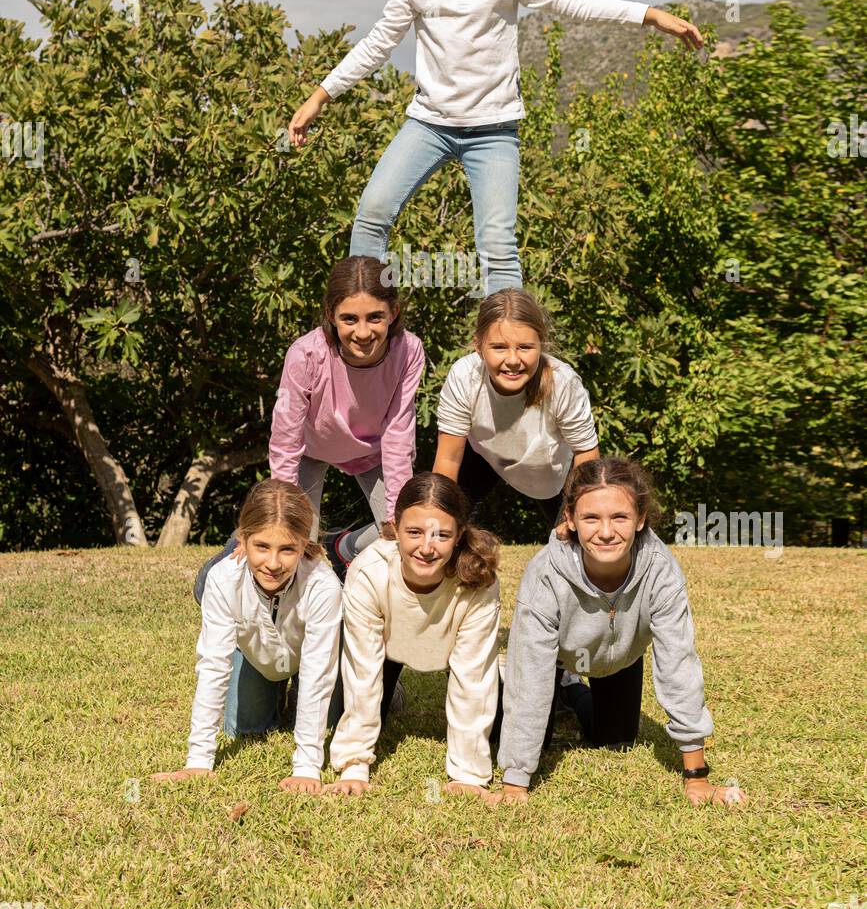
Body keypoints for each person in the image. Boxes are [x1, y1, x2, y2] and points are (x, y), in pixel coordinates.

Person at [287, 0, 703, 295]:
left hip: (494, 131)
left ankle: (507, 348)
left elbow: (571, 1)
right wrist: (319, 97)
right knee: (372, 211)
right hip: (429, 124)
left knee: (498, 246)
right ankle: (362, 319)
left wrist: (649, 15)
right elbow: (377, 46)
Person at [497, 456, 747, 808]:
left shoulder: (660, 570)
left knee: (614, 743)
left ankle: (571, 691)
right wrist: (515, 783)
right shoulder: (545, 575)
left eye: (619, 517)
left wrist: (697, 778)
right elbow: (530, 683)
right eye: (591, 518)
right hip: (555, 659)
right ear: (569, 518)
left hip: (621, 659)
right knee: (525, 738)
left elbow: (679, 666)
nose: (605, 531)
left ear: (640, 518)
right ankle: (535, 685)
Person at [194, 255, 425, 592]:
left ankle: (345, 548)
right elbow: (286, 439)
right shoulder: (306, 354)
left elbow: (398, 432)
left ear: (394, 312)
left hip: (373, 450)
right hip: (309, 449)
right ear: (331, 314)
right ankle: (225, 563)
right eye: (349, 319)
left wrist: (394, 511)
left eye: (375, 317)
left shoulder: (409, 351)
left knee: (408, 530)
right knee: (295, 544)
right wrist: (281, 515)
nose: (363, 332)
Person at [150, 479, 342, 792]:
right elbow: (213, 666)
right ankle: (274, 688)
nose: (273, 563)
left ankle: (390, 693)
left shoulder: (323, 585)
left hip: (314, 653)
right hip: (260, 652)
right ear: (243, 539)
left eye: (288, 549)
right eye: (262, 547)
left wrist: (307, 767)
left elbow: (318, 675)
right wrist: (198, 761)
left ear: (304, 545)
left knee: (332, 723)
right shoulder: (224, 579)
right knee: (245, 728)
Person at [325, 472, 501, 799]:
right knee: (337, 717)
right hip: (388, 650)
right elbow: (362, 671)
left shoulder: (479, 581)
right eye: (414, 532)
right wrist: (354, 766)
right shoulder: (368, 571)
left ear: (460, 535)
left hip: (451, 652)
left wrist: (468, 775)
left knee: (502, 732)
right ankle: (393, 693)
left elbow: (473, 677)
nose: (426, 548)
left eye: (441, 535)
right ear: (394, 529)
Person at [433, 288, 599, 533]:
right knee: (441, 520)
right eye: (499, 347)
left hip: (550, 471)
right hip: (485, 455)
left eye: (525, 347)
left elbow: (586, 453)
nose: (512, 360)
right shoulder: (463, 376)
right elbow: (448, 459)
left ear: (541, 345)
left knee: (575, 539)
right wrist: (438, 521)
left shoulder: (563, 382)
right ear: (478, 346)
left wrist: (575, 514)